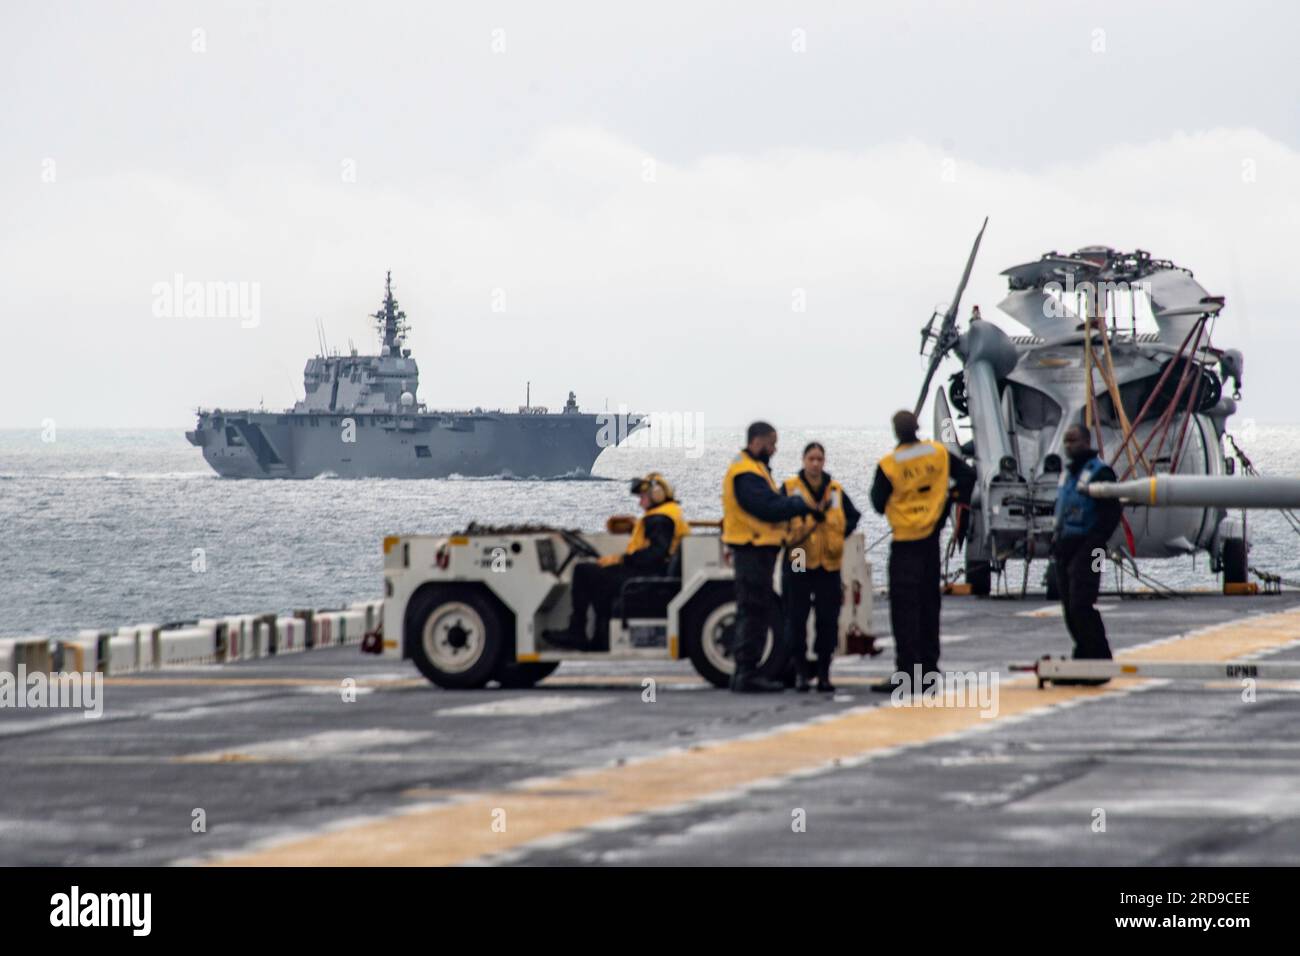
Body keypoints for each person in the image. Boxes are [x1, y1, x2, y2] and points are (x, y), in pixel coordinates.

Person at [870, 410, 976, 694]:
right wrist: (949, 501)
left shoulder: (889, 464)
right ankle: (929, 671)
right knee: (930, 607)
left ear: (895, 430)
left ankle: (907, 672)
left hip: (905, 543)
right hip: (931, 539)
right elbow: (967, 476)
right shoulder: (937, 453)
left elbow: (878, 504)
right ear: (917, 427)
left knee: (904, 611)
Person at [722, 422, 817, 693]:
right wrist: (796, 504)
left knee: (755, 610)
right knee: (753, 611)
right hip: (752, 551)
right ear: (757, 441)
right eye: (771, 443)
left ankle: (747, 671)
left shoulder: (756, 469)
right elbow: (765, 507)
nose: (774, 449)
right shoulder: (747, 472)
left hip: (762, 551)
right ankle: (746, 674)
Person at [548, 472, 689, 650]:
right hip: (653, 573)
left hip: (647, 577)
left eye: (643, 497)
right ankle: (600, 638)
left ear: (657, 494)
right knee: (600, 578)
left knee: (583, 571)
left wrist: (623, 559)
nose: (640, 502)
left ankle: (577, 631)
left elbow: (656, 554)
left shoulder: (659, 519)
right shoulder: (667, 514)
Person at [782, 442, 861, 693]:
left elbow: (853, 516)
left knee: (827, 620)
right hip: (798, 555)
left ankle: (824, 673)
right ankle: (801, 674)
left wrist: (840, 537)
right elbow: (775, 516)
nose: (815, 463)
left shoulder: (835, 490)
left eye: (819, 459)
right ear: (803, 460)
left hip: (828, 560)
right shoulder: (790, 488)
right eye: (811, 459)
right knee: (796, 617)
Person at [1051, 424, 1122, 682]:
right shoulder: (1068, 474)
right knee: (1070, 608)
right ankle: (1083, 660)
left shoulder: (1100, 472)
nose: (1069, 446)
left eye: (1074, 441)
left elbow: (1111, 512)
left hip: (1091, 550)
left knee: (1082, 604)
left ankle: (1100, 660)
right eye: (1066, 442)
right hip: (1066, 546)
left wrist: (1095, 543)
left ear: (1086, 441)